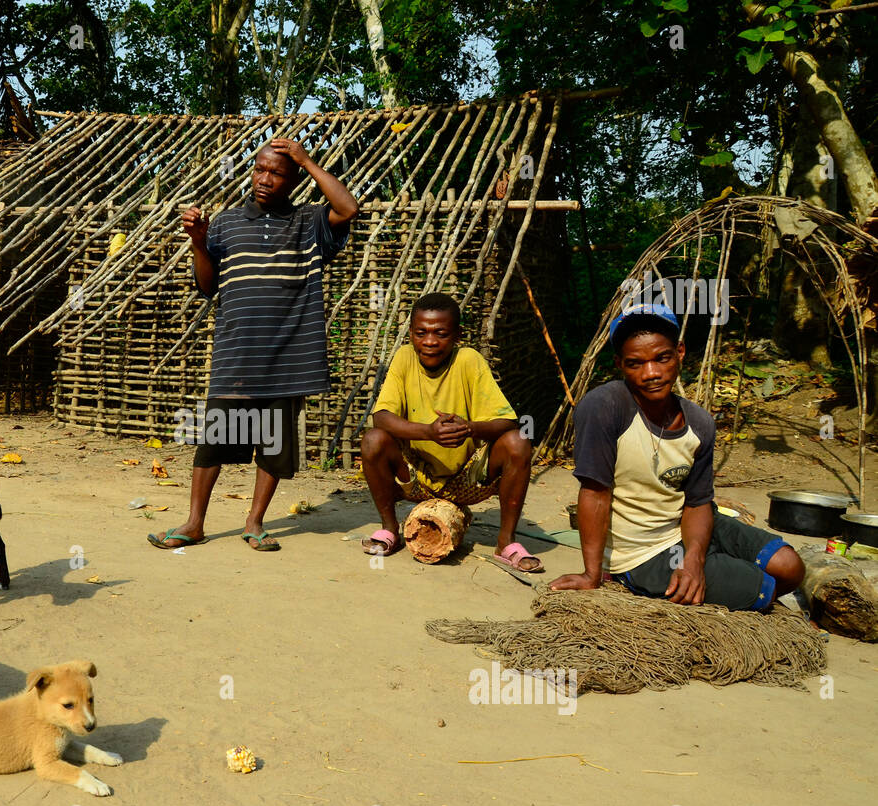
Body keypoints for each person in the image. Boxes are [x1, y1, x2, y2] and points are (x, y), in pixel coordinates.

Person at [147, 138, 358, 552]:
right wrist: (198, 241)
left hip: (288, 356)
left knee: (274, 446)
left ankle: (255, 522)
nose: (265, 179)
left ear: (294, 178)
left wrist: (306, 159)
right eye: (260, 169)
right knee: (214, 441)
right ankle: (194, 523)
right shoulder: (225, 223)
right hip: (236, 354)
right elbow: (207, 287)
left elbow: (349, 209)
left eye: (277, 173)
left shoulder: (309, 222)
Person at [550, 303, 805, 609]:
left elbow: (697, 502)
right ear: (619, 364)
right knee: (762, 588)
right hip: (640, 552)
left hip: (686, 526)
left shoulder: (699, 423)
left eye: (662, 358)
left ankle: (712, 563)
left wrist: (694, 559)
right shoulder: (605, 407)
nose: (651, 373)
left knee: (790, 567)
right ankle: (636, 577)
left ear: (680, 352)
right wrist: (592, 574)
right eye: (635, 364)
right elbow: (595, 493)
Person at [360, 293, 540, 570]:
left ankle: (506, 542)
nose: (430, 341)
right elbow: (381, 418)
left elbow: (507, 422)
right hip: (416, 476)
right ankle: (389, 529)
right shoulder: (405, 358)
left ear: (457, 335)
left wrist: (469, 428)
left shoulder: (469, 360)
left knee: (518, 442)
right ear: (411, 333)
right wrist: (428, 432)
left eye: (440, 333)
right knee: (373, 441)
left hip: (468, 478)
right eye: (421, 333)